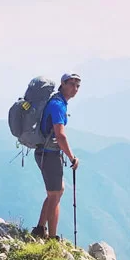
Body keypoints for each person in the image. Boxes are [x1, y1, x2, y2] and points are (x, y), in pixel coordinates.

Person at [31, 73, 81, 240]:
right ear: (63, 84)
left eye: (77, 85)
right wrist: (72, 157)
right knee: (55, 194)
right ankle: (51, 238)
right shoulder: (58, 105)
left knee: (57, 192)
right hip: (49, 155)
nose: (75, 88)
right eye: (72, 84)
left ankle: (39, 229)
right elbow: (60, 136)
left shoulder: (57, 101)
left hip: (46, 153)